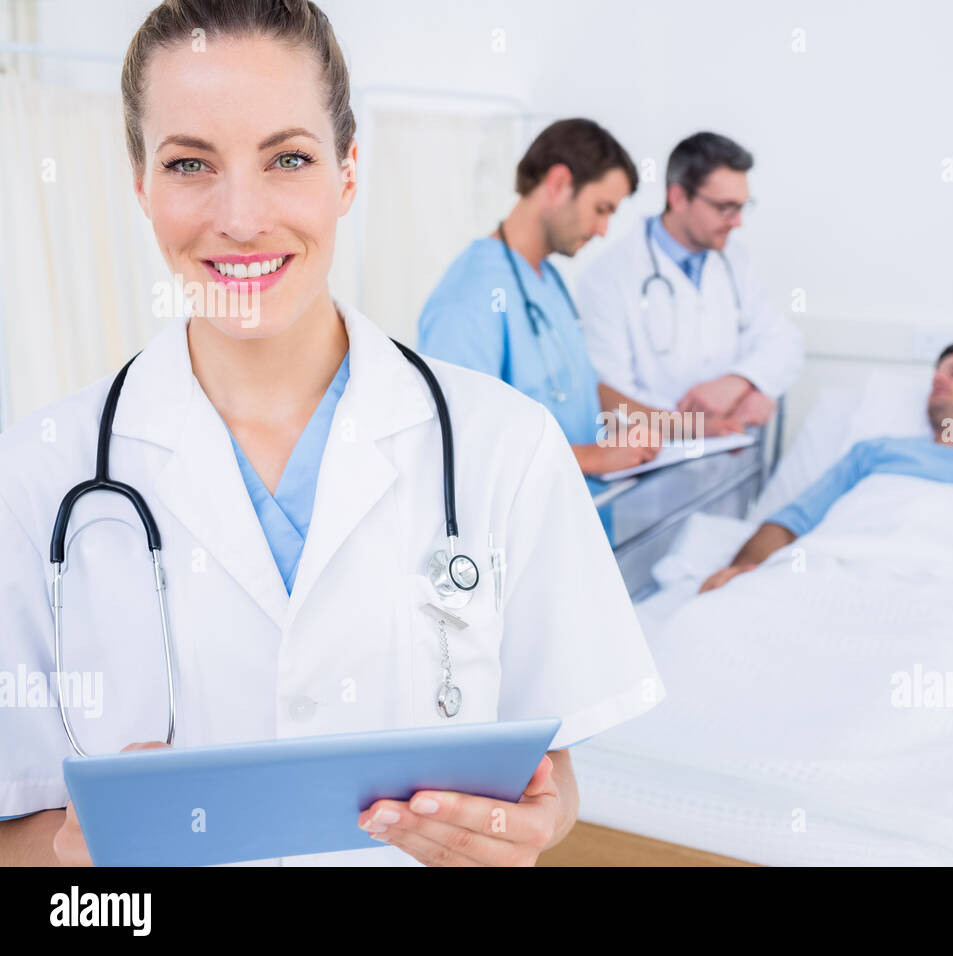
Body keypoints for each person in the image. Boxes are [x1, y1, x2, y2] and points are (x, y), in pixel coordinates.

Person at [0, 0, 663, 867]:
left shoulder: (505, 445)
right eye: (191, 162)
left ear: (349, 173)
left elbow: (552, 782)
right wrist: (77, 855)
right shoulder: (36, 473)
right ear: (141, 186)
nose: (241, 217)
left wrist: (528, 827)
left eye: (289, 158)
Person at [699, 344, 953, 658]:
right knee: (708, 632)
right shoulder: (874, 453)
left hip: (948, 601)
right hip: (815, 582)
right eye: (935, 374)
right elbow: (788, 524)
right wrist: (741, 568)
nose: (938, 380)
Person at [419, 120, 720, 481]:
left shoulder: (549, 279)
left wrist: (681, 427)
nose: (603, 229)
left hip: (578, 518)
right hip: (520, 532)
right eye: (601, 209)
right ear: (559, 183)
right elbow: (458, 441)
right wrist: (593, 457)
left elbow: (581, 390)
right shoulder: (469, 296)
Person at [573, 131, 803, 426]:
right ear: (679, 197)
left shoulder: (736, 260)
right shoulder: (607, 278)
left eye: (742, 206)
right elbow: (612, 400)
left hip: (733, 457)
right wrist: (698, 426)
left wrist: (741, 382)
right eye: (724, 208)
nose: (737, 221)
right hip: (658, 461)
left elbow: (784, 342)